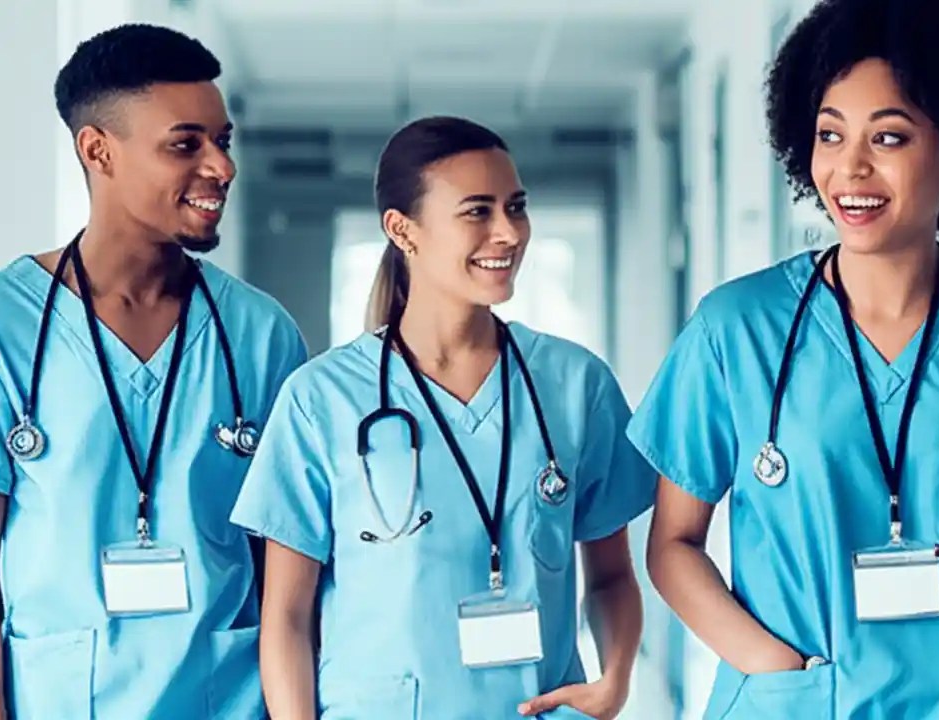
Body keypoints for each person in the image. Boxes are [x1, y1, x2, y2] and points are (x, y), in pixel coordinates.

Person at [628, 1, 939, 718]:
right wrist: (777, 671)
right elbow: (674, 545)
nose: (850, 169)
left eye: (890, 137)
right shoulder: (735, 330)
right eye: (830, 134)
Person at [0, 23, 307, 719]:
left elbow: (289, 573)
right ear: (97, 150)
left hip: (227, 702)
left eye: (222, 141)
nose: (222, 167)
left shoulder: (260, 335)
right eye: (186, 144)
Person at [229, 116, 655, 720]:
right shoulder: (321, 400)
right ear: (403, 231)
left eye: (516, 207)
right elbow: (287, 619)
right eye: (477, 211)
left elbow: (611, 576)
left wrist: (614, 681)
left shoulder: (573, 384)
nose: (508, 232)